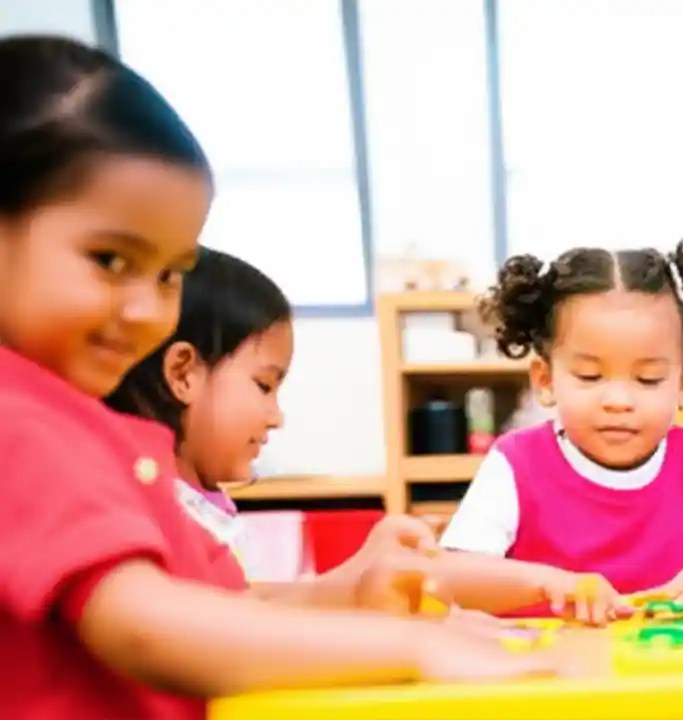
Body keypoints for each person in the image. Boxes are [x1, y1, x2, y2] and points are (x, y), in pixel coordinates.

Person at [0, 35, 553, 720]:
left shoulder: (87, 431)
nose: (147, 310)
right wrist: (407, 647)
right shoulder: (20, 421)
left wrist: (366, 606)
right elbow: (146, 624)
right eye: (110, 259)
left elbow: (221, 606)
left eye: (170, 273)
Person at [435, 239, 683, 623]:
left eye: (647, 379)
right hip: (548, 675)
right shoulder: (516, 464)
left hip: (674, 676)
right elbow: (448, 578)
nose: (618, 400)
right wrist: (549, 584)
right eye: (590, 376)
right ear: (545, 380)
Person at [106, 246, 448, 609]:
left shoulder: (196, 504)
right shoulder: (147, 510)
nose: (276, 417)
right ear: (183, 373)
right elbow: (227, 624)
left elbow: (241, 601)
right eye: (264, 386)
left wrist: (359, 576)